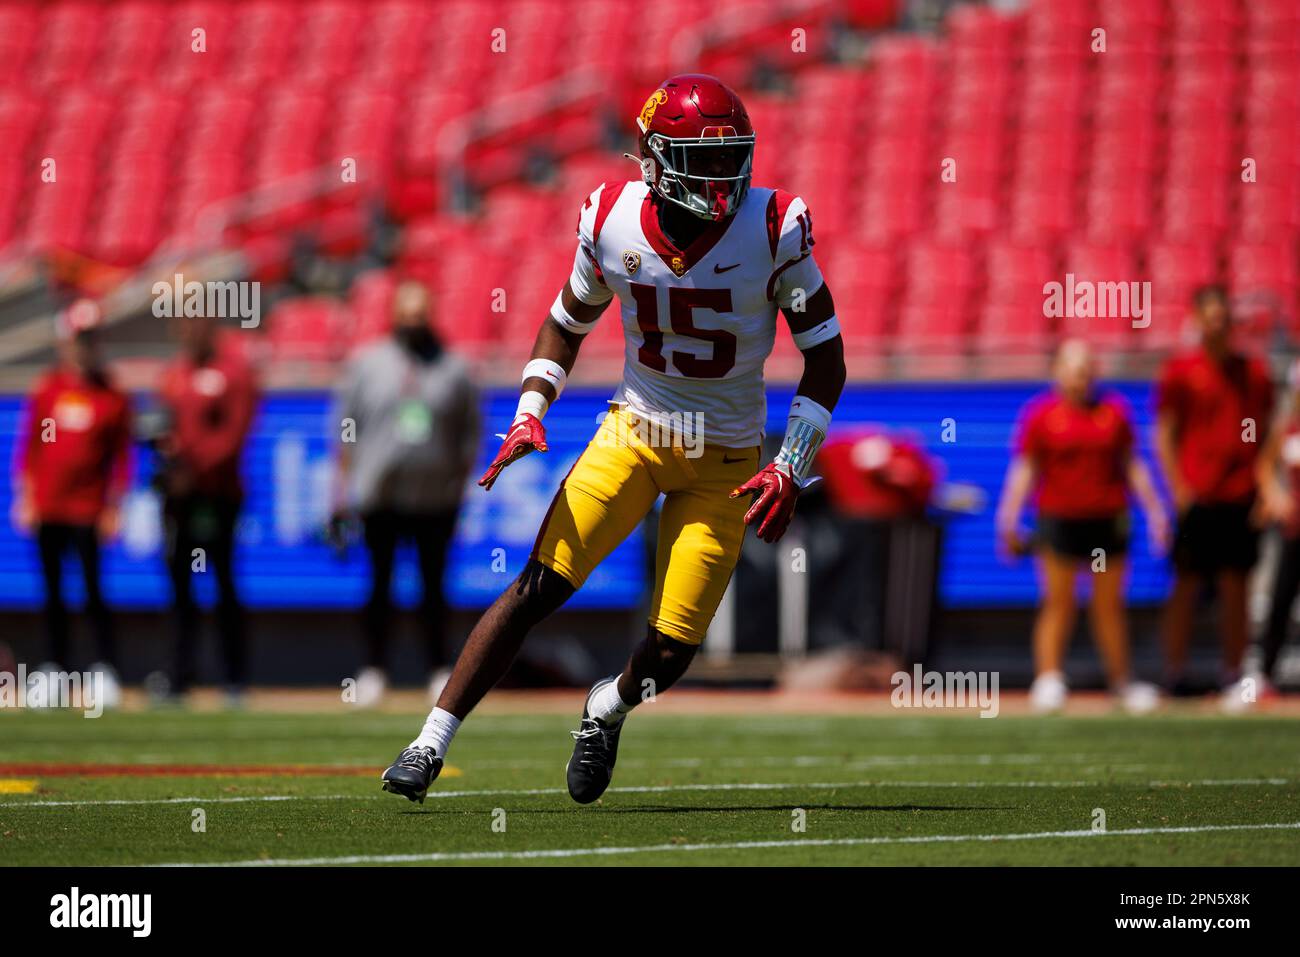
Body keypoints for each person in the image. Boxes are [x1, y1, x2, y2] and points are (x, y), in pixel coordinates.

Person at [381, 74, 846, 803]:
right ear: (656, 162)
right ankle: (427, 743)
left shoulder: (773, 226)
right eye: (704, 159)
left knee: (671, 648)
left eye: (732, 159)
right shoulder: (611, 217)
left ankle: (609, 705)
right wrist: (532, 407)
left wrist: (791, 462)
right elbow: (566, 321)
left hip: (723, 460)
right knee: (540, 583)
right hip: (634, 434)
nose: (723, 176)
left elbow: (827, 355)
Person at [996, 339, 1169, 714]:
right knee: (1058, 602)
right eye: (1073, 369)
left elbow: (1132, 465)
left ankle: (1121, 681)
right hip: (1059, 521)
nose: (1080, 377)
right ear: (1057, 371)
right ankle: (1048, 677)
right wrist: (1008, 516)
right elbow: (1026, 468)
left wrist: (1155, 510)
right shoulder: (1041, 415)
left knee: (1108, 604)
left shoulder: (1113, 412)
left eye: (1086, 369)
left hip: (1106, 523)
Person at [333, 280, 480, 707]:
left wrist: (459, 487)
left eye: (420, 316)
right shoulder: (367, 364)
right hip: (380, 496)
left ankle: (438, 670)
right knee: (379, 586)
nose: (413, 325)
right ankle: (374, 669)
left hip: (435, 499)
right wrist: (343, 490)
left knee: (434, 589)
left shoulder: (454, 367)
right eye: (406, 316)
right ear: (394, 316)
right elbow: (345, 428)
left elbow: (468, 433)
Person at [1154, 285, 1274, 711]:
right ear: (1197, 319)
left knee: (1235, 585)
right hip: (1198, 497)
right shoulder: (1181, 372)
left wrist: (1263, 485)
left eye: (1223, 316)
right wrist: (1179, 489)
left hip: (1239, 493)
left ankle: (1233, 673)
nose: (1217, 324)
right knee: (1185, 584)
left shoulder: (1254, 373)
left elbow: (1264, 433)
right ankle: (1175, 671)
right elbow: (1165, 434)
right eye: (1210, 316)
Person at [12, 299, 131, 707]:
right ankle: (54, 670)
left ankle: (103, 669)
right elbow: (30, 449)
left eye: (91, 339)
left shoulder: (112, 395)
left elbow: (122, 458)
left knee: (93, 591)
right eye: (79, 339)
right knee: (52, 591)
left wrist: (114, 506)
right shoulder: (49, 390)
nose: (84, 347)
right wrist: (26, 496)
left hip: (89, 509)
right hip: (50, 506)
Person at [156, 316, 258, 699]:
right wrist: (165, 460)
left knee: (223, 581)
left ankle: (233, 676)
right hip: (179, 500)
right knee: (180, 585)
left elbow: (234, 434)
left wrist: (193, 468)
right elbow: (163, 426)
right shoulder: (175, 374)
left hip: (217, 496)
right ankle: (180, 673)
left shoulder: (233, 373)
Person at [1254, 358, 1300, 696]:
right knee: (1280, 601)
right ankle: (1263, 675)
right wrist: (1275, 496)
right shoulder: (1289, 428)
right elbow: (1265, 465)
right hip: (1294, 530)